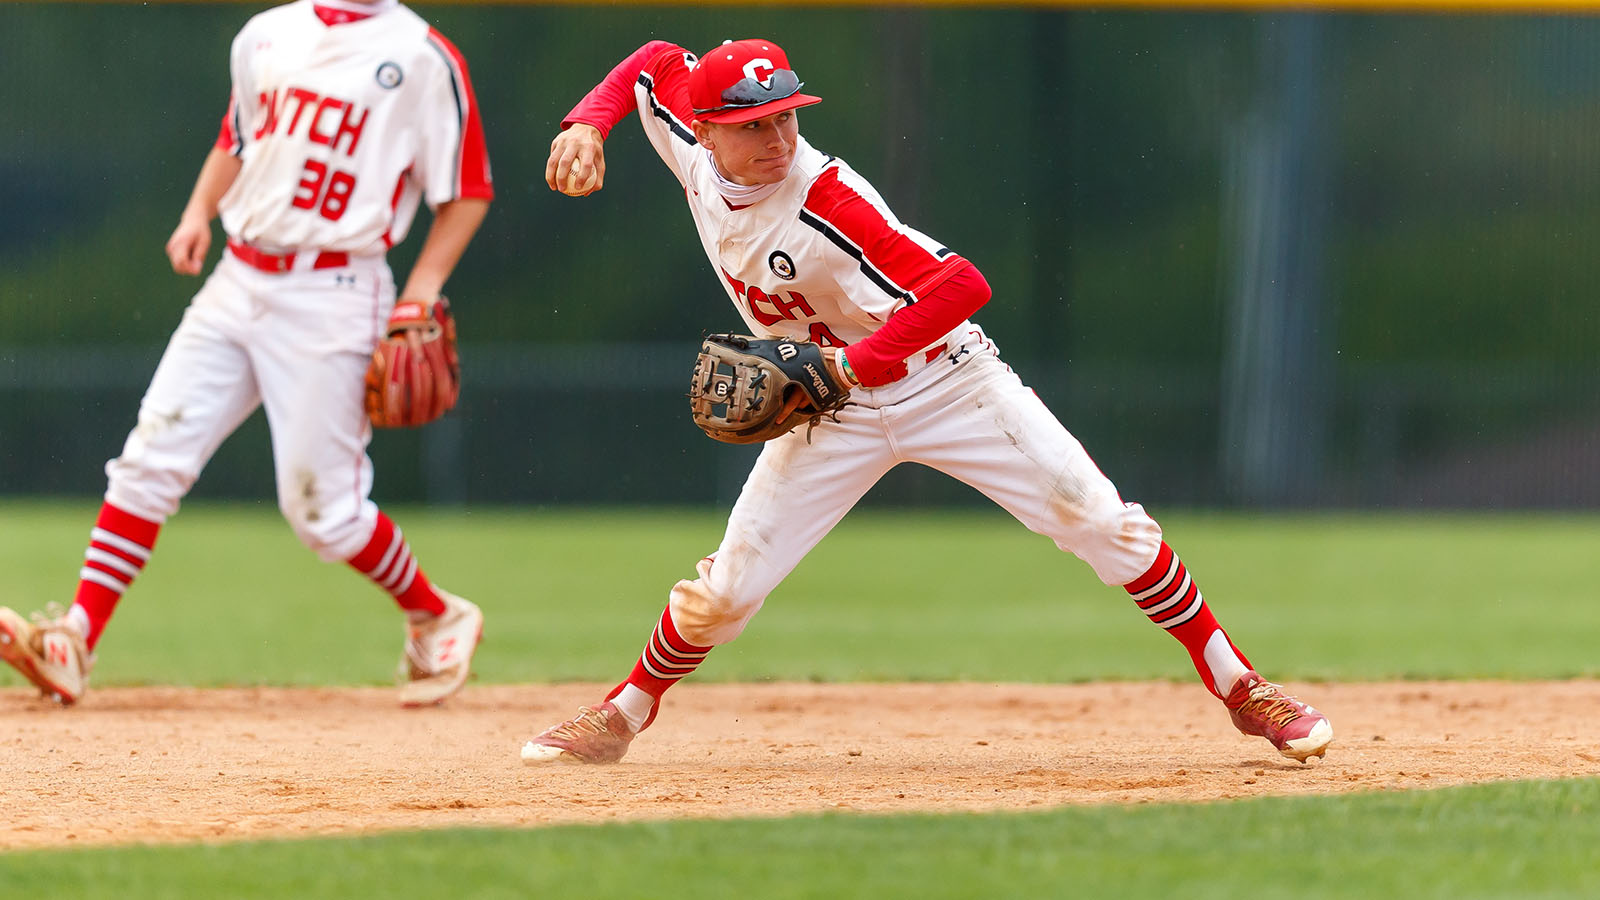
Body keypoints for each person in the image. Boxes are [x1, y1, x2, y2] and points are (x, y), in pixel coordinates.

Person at [520, 38, 1332, 765]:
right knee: (728, 589)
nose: (776, 140)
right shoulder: (684, 131)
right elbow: (654, 61)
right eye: (752, 125)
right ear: (703, 131)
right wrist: (587, 124)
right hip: (829, 405)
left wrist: (852, 366)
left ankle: (1243, 689)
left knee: (1100, 521)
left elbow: (961, 286)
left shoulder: (826, 201)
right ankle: (621, 715)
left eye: (785, 118)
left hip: (945, 381)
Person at [0, 0, 492, 708]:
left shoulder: (424, 56)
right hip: (239, 276)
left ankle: (436, 613)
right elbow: (236, 138)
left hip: (336, 289)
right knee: (150, 459)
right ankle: (76, 640)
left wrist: (419, 293)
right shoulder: (267, 32)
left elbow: (467, 192)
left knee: (323, 511)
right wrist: (198, 212)